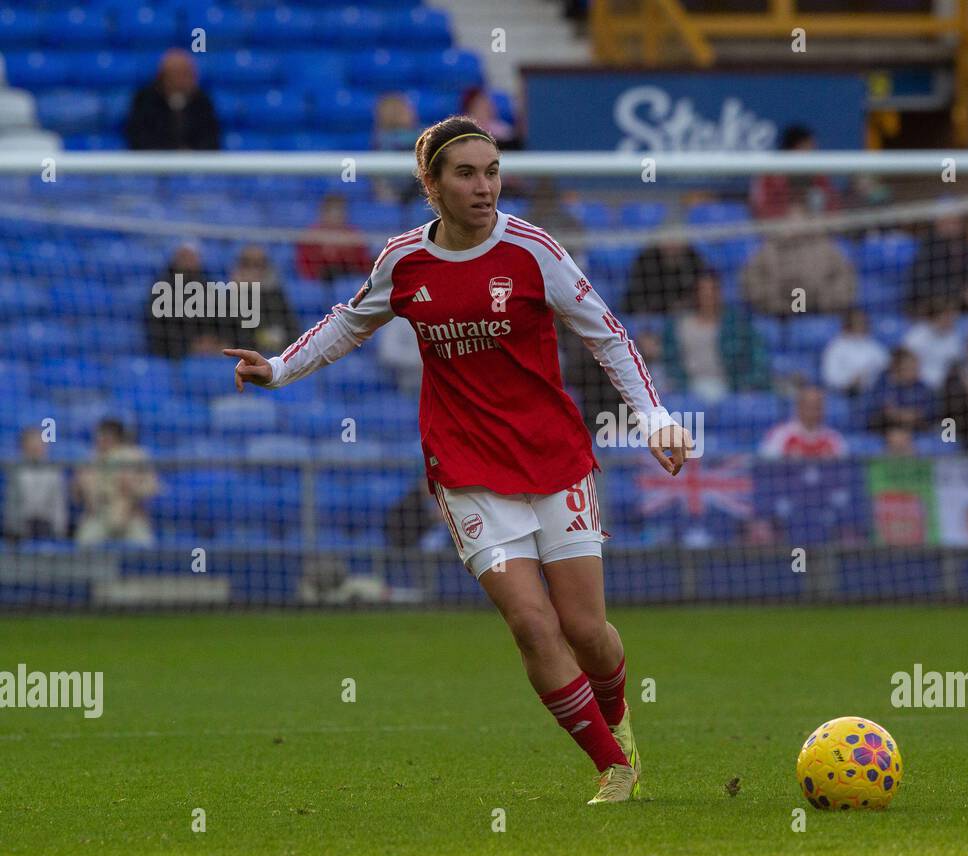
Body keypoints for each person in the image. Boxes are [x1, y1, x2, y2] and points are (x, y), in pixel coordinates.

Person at [223, 116, 692, 805]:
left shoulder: (535, 250)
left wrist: (653, 417)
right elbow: (349, 322)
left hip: (554, 458)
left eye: (493, 171)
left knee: (586, 630)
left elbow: (608, 334)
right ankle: (612, 769)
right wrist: (280, 367)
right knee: (532, 623)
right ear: (432, 185)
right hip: (467, 469)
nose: (484, 186)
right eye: (466, 174)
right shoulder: (405, 261)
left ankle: (618, 720)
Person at [740, 195, 857, 317]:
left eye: (801, 216)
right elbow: (752, 279)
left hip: (820, 311)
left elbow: (845, 278)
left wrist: (822, 301)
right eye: (791, 217)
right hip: (778, 314)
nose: (796, 222)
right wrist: (779, 302)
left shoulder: (827, 248)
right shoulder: (768, 250)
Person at [660, 271, 768, 400]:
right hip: (687, 386)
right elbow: (669, 359)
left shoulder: (736, 323)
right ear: (696, 293)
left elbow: (756, 354)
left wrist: (745, 382)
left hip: (726, 385)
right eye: (703, 290)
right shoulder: (679, 324)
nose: (708, 295)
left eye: (713, 289)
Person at [73, 420, 159, 547]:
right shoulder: (89, 460)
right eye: (100, 436)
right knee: (84, 543)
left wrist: (133, 488)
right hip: (99, 515)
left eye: (107, 436)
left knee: (145, 545)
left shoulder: (136, 457)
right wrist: (80, 487)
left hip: (131, 514)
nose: (102, 440)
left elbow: (153, 488)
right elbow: (77, 497)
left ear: (117, 438)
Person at [144, 241, 235, 358]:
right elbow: (158, 328)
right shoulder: (161, 289)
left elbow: (222, 320)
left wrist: (215, 341)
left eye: (192, 257)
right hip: (174, 352)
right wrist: (190, 345)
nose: (188, 262)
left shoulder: (209, 287)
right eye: (184, 257)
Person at [124, 49, 220, 151]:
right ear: (163, 76)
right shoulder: (145, 100)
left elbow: (211, 139)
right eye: (176, 74)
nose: (182, 80)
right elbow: (138, 137)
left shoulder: (202, 102)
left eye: (187, 74)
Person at [907, 209, 968, 319]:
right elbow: (921, 286)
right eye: (949, 222)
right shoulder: (927, 248)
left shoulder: (964, 248)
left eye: (956, 222)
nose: (953, 227)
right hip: (933, 309)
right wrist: (960, 294)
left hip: (961, 308)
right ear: (938, 224)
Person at [749, 124, 841, 221]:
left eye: (813, 149)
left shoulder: (819, 177)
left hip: (813, 230)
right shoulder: (768, 178)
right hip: (777, 229)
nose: (812, 154)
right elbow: (761, 214)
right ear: (790, 150)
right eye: (807, 149)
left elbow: (834, 211)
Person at [3, 428, 68, 541]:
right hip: (22, 523)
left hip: (46, 522)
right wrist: (13, 530)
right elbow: (11, 505)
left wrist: (59, 530)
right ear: (24, 447)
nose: (36, 448)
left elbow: (58, 503)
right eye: (32, 444)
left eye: (39, 444)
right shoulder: (16, 471)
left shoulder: (53, 471)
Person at [231, 244, 294, 355]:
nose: (253, 271)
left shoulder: (277, 297)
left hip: (276, 357)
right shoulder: (229, 297)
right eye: (247, 264)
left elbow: (291, 332)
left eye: (258, 265)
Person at [295, 194, 374, 281]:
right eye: (332, 212)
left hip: (349, 279)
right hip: (318, 280)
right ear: (323, 213)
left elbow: (364, 266)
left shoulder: (353, 235)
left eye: (340, 212)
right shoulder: (311, 236)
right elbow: (305, 268)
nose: (336, 217)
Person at [759, 385, 847, 459]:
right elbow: (765, 468)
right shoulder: (780, 436)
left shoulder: (834, 440)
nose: (813, 412)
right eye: (809, 406)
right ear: (799, 407)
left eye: (818, 407)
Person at [869, 347, 937, 438]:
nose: (915, 371)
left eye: (916, 367)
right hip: (887, 429)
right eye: (910, 367)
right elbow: (884, 409)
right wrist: (901, 415)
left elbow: (928, 410)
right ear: (897, 368)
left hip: (915, 427)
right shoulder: (883, 382)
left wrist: (912, 416)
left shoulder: (921, 386)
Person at [821, 308, 890, 395]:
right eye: (856, 323)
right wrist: (849, 381)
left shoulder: (874, 345)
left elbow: (886, 366)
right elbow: (829, 377)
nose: (861, 326)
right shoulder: (836, 347)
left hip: (872, 393)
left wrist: (869, 377)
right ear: (848, 324)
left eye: (863, 322)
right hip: (844, 393)